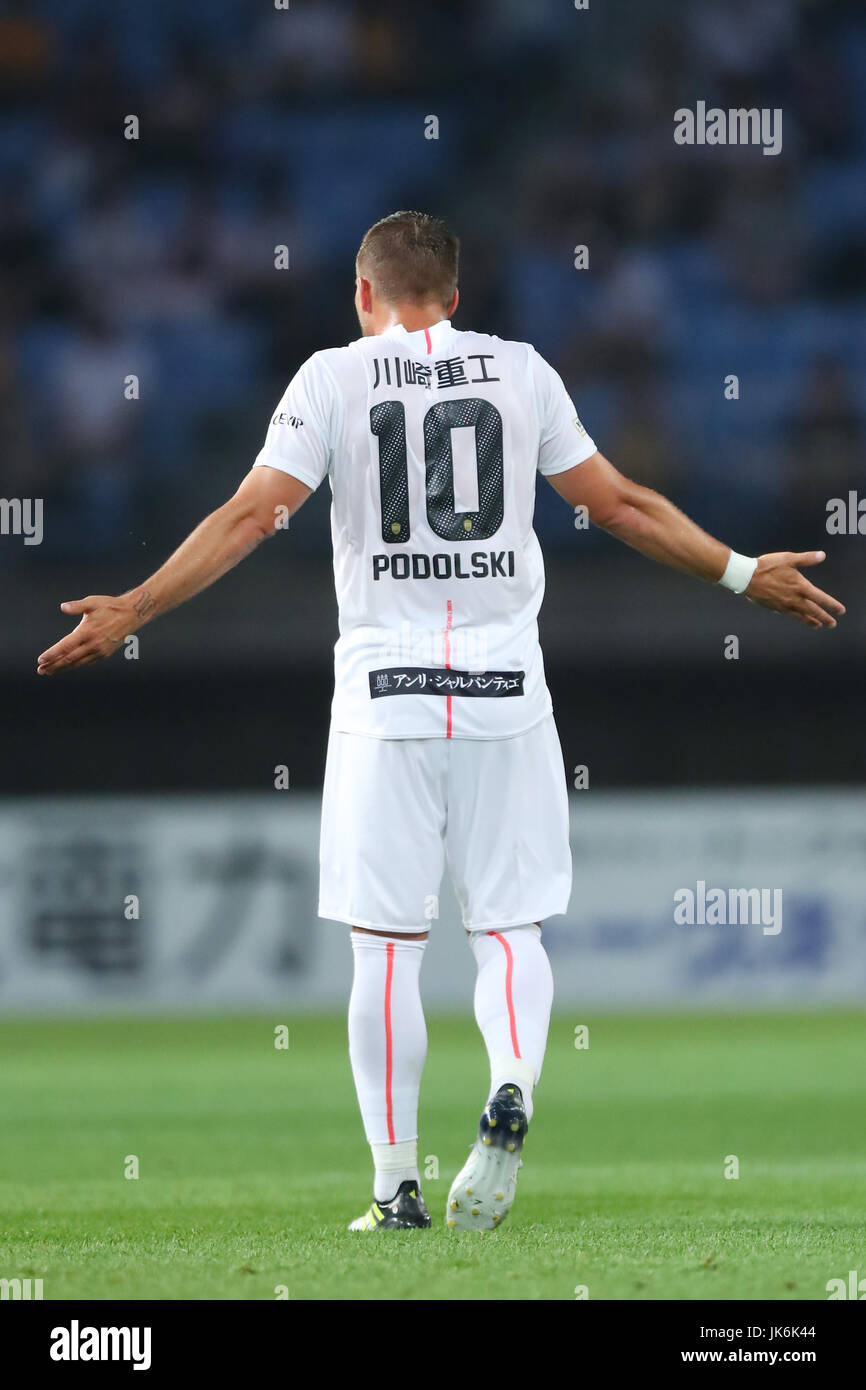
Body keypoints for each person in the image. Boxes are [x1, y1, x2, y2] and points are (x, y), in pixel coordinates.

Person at [37, 210, 845, 1233]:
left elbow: (249, 515)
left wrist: (134, 607)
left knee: (385, 949)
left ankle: (394, 1189)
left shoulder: (330, 380)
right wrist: (738, 572)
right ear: (455, 298)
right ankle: (511, 1083)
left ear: (361, 294)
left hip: (386, 697)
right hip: (508, 694)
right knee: (509, 928)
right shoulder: (522, 372)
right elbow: (621, 505)